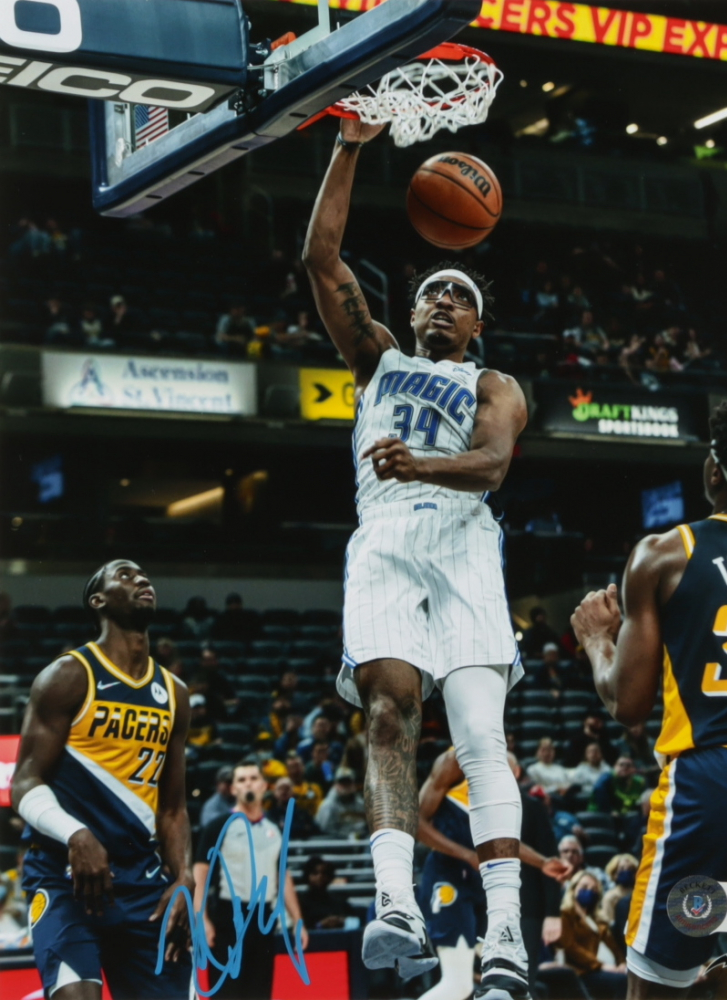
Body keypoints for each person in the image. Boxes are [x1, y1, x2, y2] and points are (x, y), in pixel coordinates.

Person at [303, 117, 529, 997]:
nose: (440, 300)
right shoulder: (377, 359)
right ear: (410, 310)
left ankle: (505, 931)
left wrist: (422, 461)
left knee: (479, 733)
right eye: (429, 290)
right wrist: (350, 147)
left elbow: (494, 466)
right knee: (389, 712)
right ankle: (395, 906)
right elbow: (323, 263)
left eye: (457, 295)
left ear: (478, 322)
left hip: (465, 539)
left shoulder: (494, 384)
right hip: (389, 536)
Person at [571, 396, 727, 998]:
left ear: (713, 471)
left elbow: (629, 705)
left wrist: (596, 640)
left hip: (711, 784)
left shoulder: (665, 553)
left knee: (656, 982)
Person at [12, 560, 193, 999]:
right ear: (99, 600)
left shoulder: (174, 694)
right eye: (126, 575)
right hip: (65, 877)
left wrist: (185, 880)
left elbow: (172, 808)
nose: (142, 579)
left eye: (144, 574)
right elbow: (24, 781)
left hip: (142, 883)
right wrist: (75, 833)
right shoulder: (69, 675)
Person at [416, 749, 571, 1000]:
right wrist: (467, 855)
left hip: (481, 886)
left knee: (492, 984)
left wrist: (542, 863)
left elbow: (505, 840)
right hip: (448, 878)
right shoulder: (454, 762)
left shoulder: (502, 792)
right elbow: (416, 824)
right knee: (457, 985)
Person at [193, 759, 308, 999]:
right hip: (228, 918)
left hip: (264, 919)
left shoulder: (274, 830)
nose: (248, 784)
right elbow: (200, 874)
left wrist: (298, 921)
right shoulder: (217, 826)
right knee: (227, 992)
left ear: (264, 786)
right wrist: (202, 918)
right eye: (241, 780)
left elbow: (282, 876)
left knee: (260, 991)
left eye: (253, 778)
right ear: (233, 789)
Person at [558, 871, 627, 999]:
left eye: (594, 889)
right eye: (584, 887)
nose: (590, 891)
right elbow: (571, 947)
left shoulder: (598, 919)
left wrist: (622, 962)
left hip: (609, 969)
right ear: (573, 890)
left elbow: (615, 948)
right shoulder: (565, 916)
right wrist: (601, 966)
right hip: (584, 972)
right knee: (622, 982)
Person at [299, 857, 356, 930]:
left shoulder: (338, 901)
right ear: (307, 876)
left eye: (324, 873)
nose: (320, 876)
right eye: (315, 873)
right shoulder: (300, 902)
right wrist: (320, 925)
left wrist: (341, 921)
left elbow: (355, 921)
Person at [315, 766, 367, 839]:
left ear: (354, 784)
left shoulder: (361, 804)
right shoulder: (328, 806)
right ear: (335, 784)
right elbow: (323, 830)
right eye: (342, 783)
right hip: (335, 844)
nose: (345, 786)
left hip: (360, 841)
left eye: (348, 782)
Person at [599, 854, 638, 927]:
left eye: (630, 869)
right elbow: (609, 924)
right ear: (614, 874)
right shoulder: (610, 897)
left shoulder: (640, 894)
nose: (627, 871)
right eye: (622, 869)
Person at [285, 752, 324, 817]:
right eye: (292, 767)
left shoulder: (315, 788)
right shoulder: (285, 791)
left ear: (303, 767)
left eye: (297, 766)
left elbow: (320, 810)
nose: (296, 770)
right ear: (287, 770)